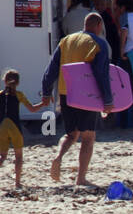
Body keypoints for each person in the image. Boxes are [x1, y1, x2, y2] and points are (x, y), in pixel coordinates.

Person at [42, 13, 113, 186]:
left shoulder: (66, 40)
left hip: (66, 93)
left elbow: (51, 68)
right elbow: (101, 74)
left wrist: (46, 91)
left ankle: (58, 157)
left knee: (71, 134)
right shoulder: (99, 43)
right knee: (88, 137)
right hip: (86, 96)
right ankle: (81, 178)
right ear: (99, 25)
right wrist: (108, 100)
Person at [0, 70, 48, 189]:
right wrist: (43, 104)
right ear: (18, 83)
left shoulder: (0, 94)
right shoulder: (19, 95)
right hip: (14, 126)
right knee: (19, 156)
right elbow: (32, 109)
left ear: (4, 81)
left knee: (3, 156)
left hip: (1, 127)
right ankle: (17, 183)